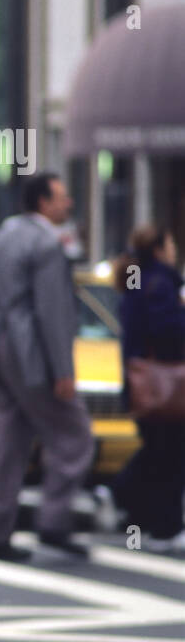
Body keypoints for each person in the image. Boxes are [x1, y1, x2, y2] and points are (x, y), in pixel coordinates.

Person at [0, 172, 95, 561]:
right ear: (43, 202)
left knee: (4, 441)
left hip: (0, 343)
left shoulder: (4, 233)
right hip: (34, 352)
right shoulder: (48, 243)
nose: (68, 204)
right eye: (61, 197)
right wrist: (63, 370)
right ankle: (54, 521)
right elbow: (53, 311)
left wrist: (8, 310)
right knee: (75, 435)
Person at [113, 225, 185, 552]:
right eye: (171, 243)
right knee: (169, 455)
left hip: (144, 383)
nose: (174, 249)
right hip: (163, 385)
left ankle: (132, 505)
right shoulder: (159, 283)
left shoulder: (138, 281)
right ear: (159, 248)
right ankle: (162, 526)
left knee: (159, 452)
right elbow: (169, 332)